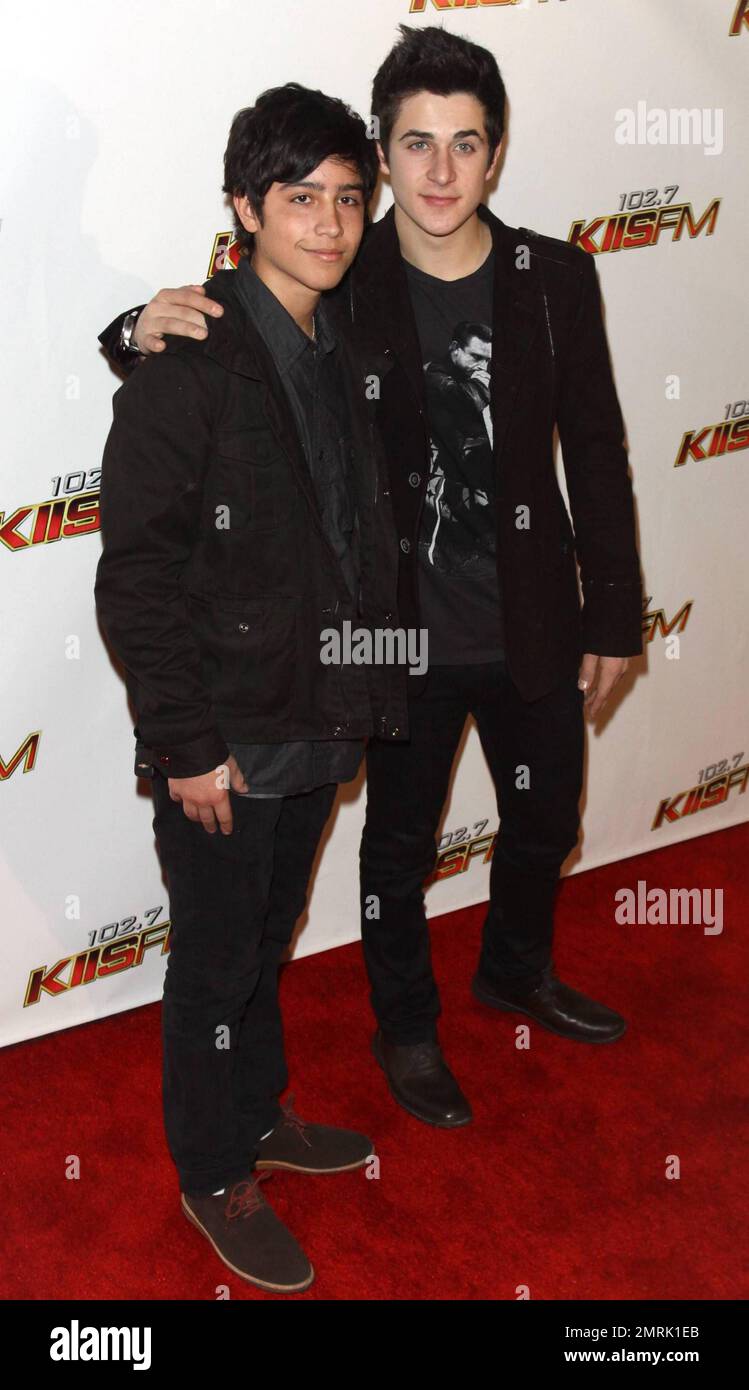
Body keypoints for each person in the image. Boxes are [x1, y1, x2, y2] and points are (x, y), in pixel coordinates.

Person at [99, 26, 643, 1133]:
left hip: (531, 613)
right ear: (384, 157)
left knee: (542, 823)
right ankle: (403, 1027)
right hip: (389, 640)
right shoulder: (344, 271)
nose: (438, 172)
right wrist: (130, 328)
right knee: (394, 847)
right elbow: (223, 333)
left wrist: (615, 609)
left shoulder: (554, 278)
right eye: (414, 145)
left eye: (464, 144)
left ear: (494, 155)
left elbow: (595, 447)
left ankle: (514, 968)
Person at [95, 83, 408, 1294]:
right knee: (215, 961)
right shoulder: (188, 358)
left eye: (346, 199)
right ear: (242, 208)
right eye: (299, 200)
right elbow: (136, 576)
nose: (329, 225)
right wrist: (181, 742)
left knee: (265, 939)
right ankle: (212, 1165)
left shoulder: (348, 331)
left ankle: (258, 1109)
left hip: (322, 709)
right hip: (221, 737)